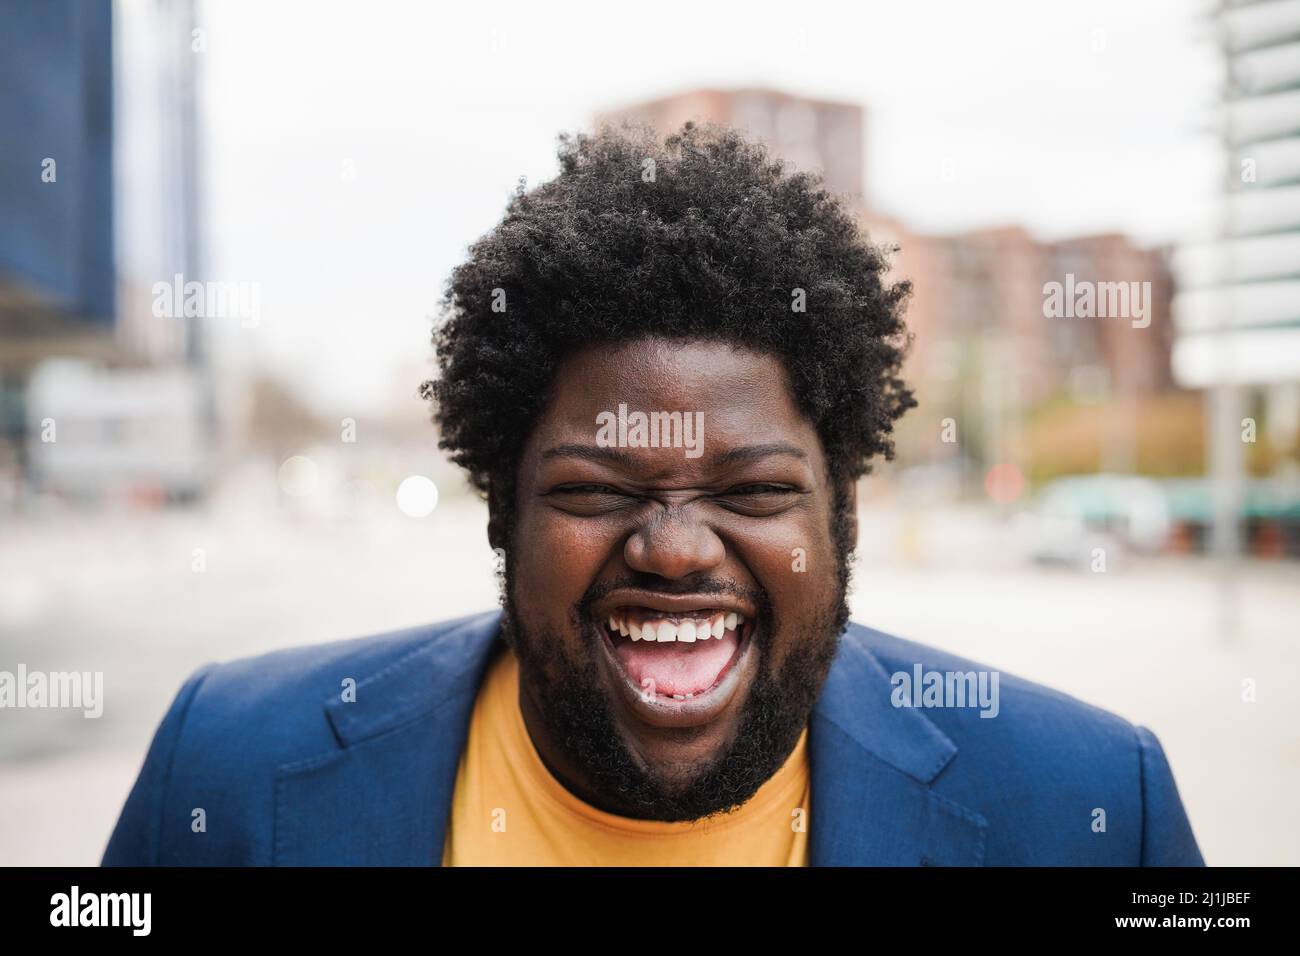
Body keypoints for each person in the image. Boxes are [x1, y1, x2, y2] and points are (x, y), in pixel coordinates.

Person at [103, 123, 1203, 866]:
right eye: (597, 488)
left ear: (846, 515)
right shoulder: (228, 769)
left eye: (754, 489)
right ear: (500, 507)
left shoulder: (1090, 809)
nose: (675, 549)